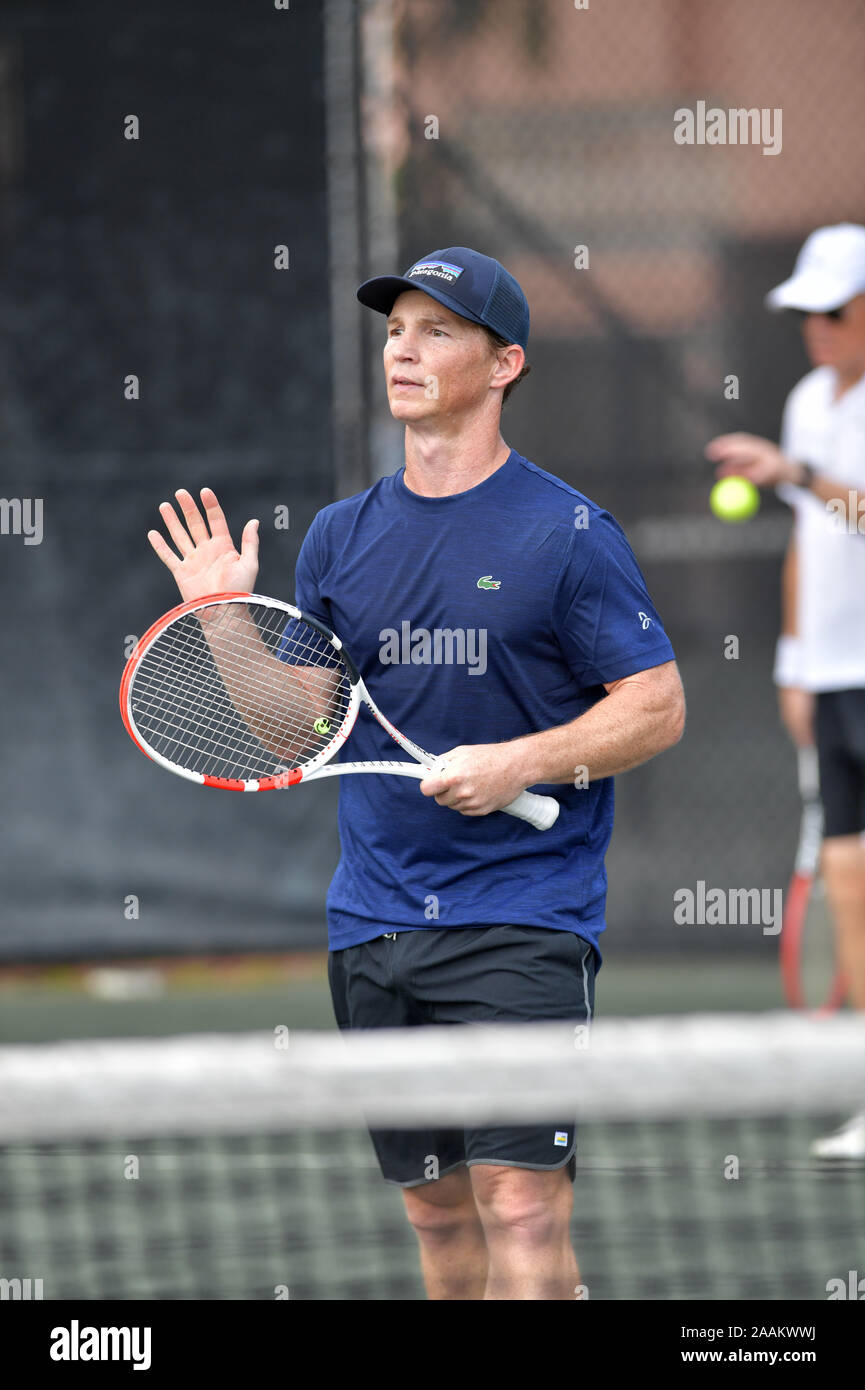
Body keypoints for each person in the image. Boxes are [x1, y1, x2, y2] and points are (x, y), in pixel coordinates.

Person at [147, 245, 685, 1298]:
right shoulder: (343, 538)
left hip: (524, 918)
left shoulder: (567, 533)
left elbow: (656, 705)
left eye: (437, 329)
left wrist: (516, 762)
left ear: (503, 365)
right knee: (440, 1223)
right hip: (376, 926)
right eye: (395, 328)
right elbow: (292, 733)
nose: (403, 346)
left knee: (521, 1205)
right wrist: (221, 620)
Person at [706, 224, 865, 1159]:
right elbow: (810, 541)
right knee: (850, 877)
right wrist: (795, 661)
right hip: (834, 679)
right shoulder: (809, 399)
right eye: (806, 311)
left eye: (834, 310)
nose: (817, 327)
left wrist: (796, 473)